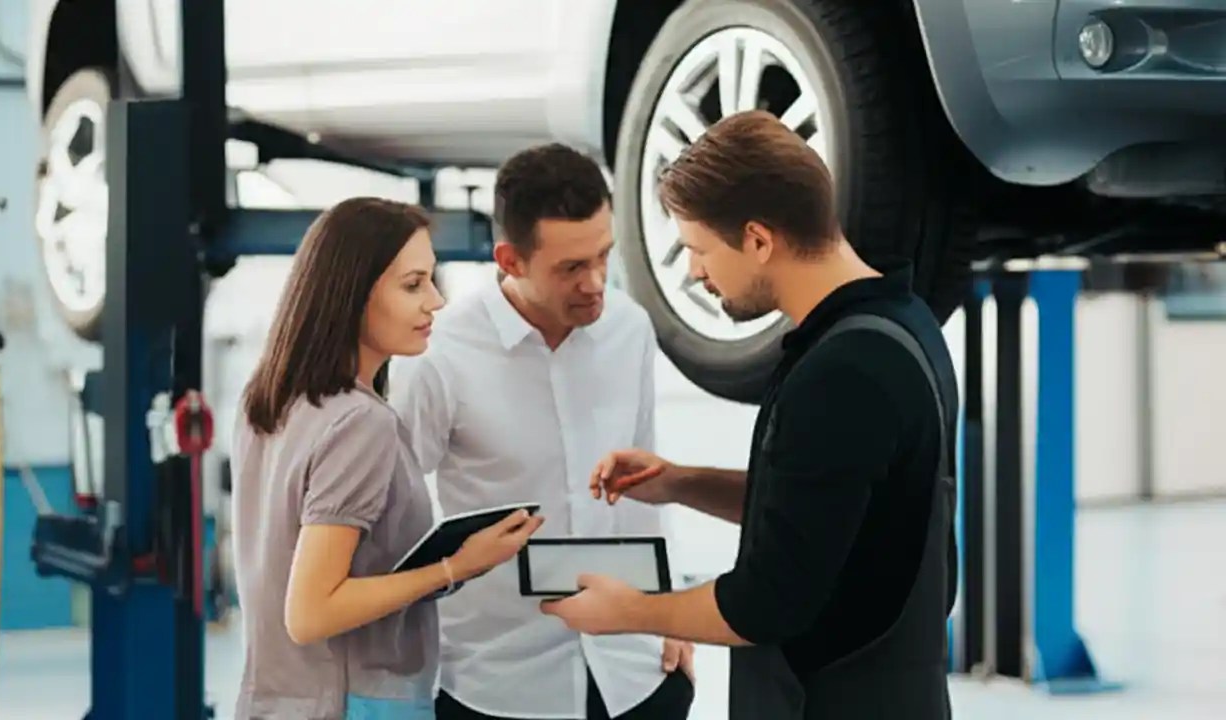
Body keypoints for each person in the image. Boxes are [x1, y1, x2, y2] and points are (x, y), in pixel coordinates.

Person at [539, 110, 960, 720]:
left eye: (698, 248)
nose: (693, 272)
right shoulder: (901, 324)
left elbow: (763, 604)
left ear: (759, 240)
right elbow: (835, 511)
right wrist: (681, 482)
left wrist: (630, 612)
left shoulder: (843, 373)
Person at [388, 144, 695, 720]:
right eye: (572, 268)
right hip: (498, 685)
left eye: (603, 255)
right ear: (510, 260)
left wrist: (669, 609)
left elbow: (644, 487)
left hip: (636, 673)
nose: (596, 282)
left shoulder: (629, 329)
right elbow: (393, 515)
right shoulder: (441, 356)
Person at [230, 197, 545, 720]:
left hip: (272, 700)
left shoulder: (267, 402)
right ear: (353, 293)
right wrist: (454, 566)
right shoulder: (361, 423)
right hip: (353, 704)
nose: (436, 302)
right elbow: (310, 612)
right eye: (413, 284)